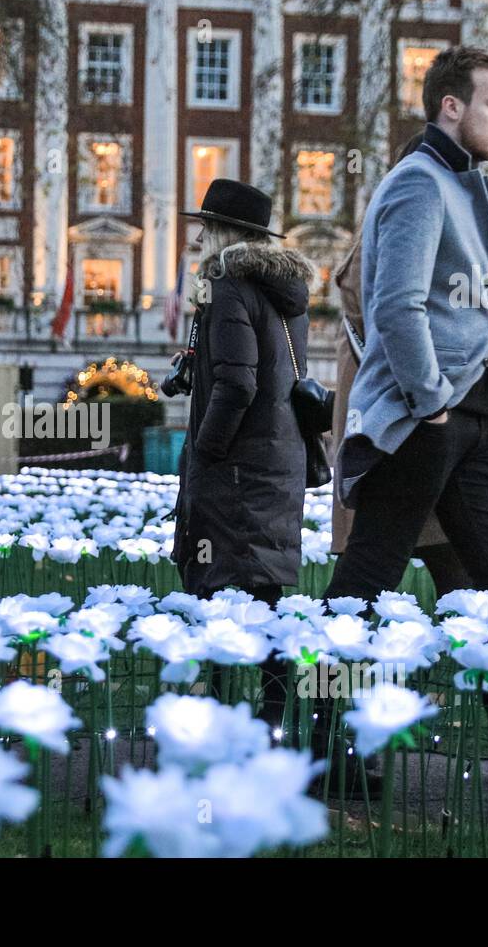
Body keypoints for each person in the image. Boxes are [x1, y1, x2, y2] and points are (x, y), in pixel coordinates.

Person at [325, 46, 488, 608]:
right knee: (367, 579)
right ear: (451, 107)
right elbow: (398, 307)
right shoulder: (419, 183)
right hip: (424, 421)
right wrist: (431, 405)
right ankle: (289, 694)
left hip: (472, 422)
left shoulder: (464, 182)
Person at [166, 177, 313, 724]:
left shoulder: (226, 284)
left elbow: (237, 384)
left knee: (217, 591)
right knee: (265, 595)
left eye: (204, 225)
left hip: (234, 469)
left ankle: (221, 713)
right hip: (275, 463)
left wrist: (206, 450)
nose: (198, 236)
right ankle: (274, 717)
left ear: (219, 232)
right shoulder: (282, 293)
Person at [330, 131, 473, 600]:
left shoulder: (395, 224)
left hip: (400, 414)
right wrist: (433, 400)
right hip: (402, 417)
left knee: (383, 567)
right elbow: (394, 319)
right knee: (452, 565)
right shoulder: (409, 218)